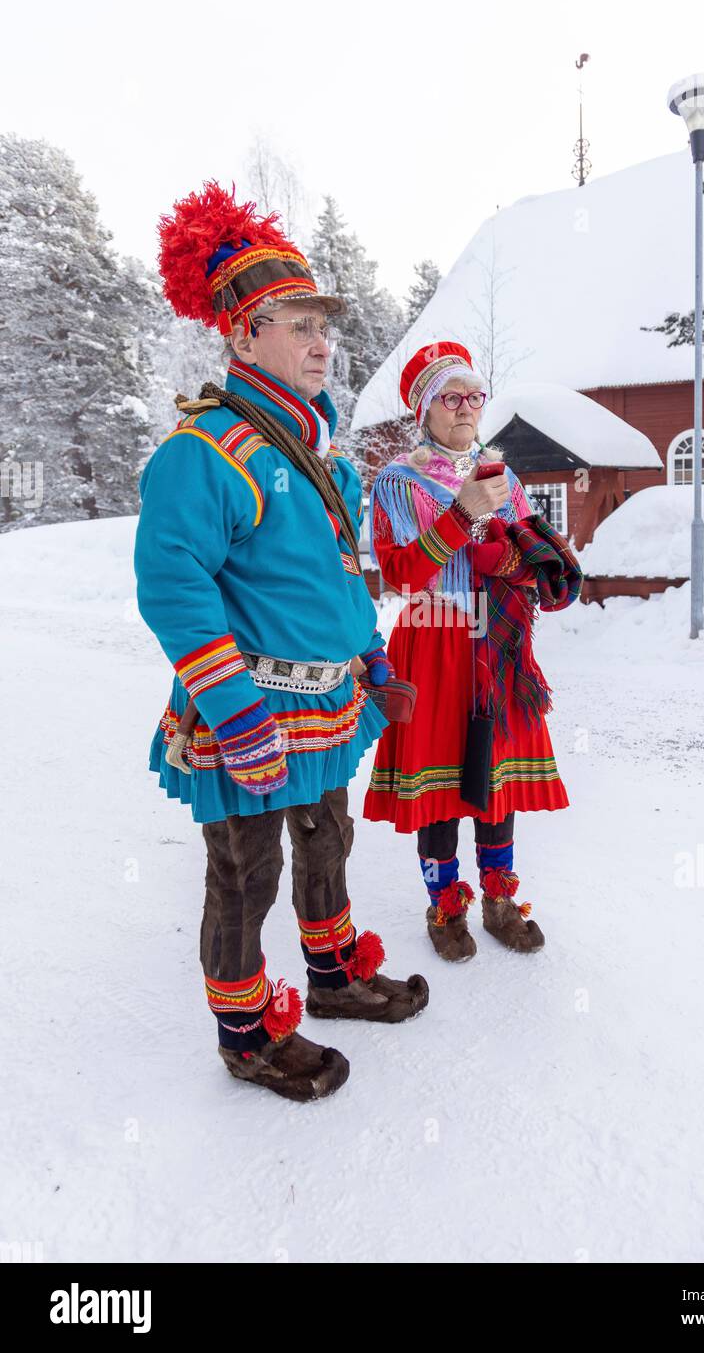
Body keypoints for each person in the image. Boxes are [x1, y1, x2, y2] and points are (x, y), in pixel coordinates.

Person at [134, 182, 428, 1103]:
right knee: (245, 873)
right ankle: (247, 1034)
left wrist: (370, 658)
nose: (320, 342)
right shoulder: (205, 451)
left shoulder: (327, 457)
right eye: (296, 324)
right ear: (242, 336)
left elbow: (338, 577)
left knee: (328, 840)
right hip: (248, 714)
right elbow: (172, 586)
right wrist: (233, 708)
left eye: (322, 326)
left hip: (325, 706)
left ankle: (335, 979)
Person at [363, 342, 582, 962]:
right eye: (450, 397)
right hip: (433, 640)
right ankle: (445, 905)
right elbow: (404, 577)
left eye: (474, 397)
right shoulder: (398, 482)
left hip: (499, 641)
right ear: (424, 409)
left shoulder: (503, 476)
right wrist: (462, 515)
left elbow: (521, 548)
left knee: (495, 777)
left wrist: (523, 558)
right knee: (439, 783)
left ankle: (500, 900)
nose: (466, 408)